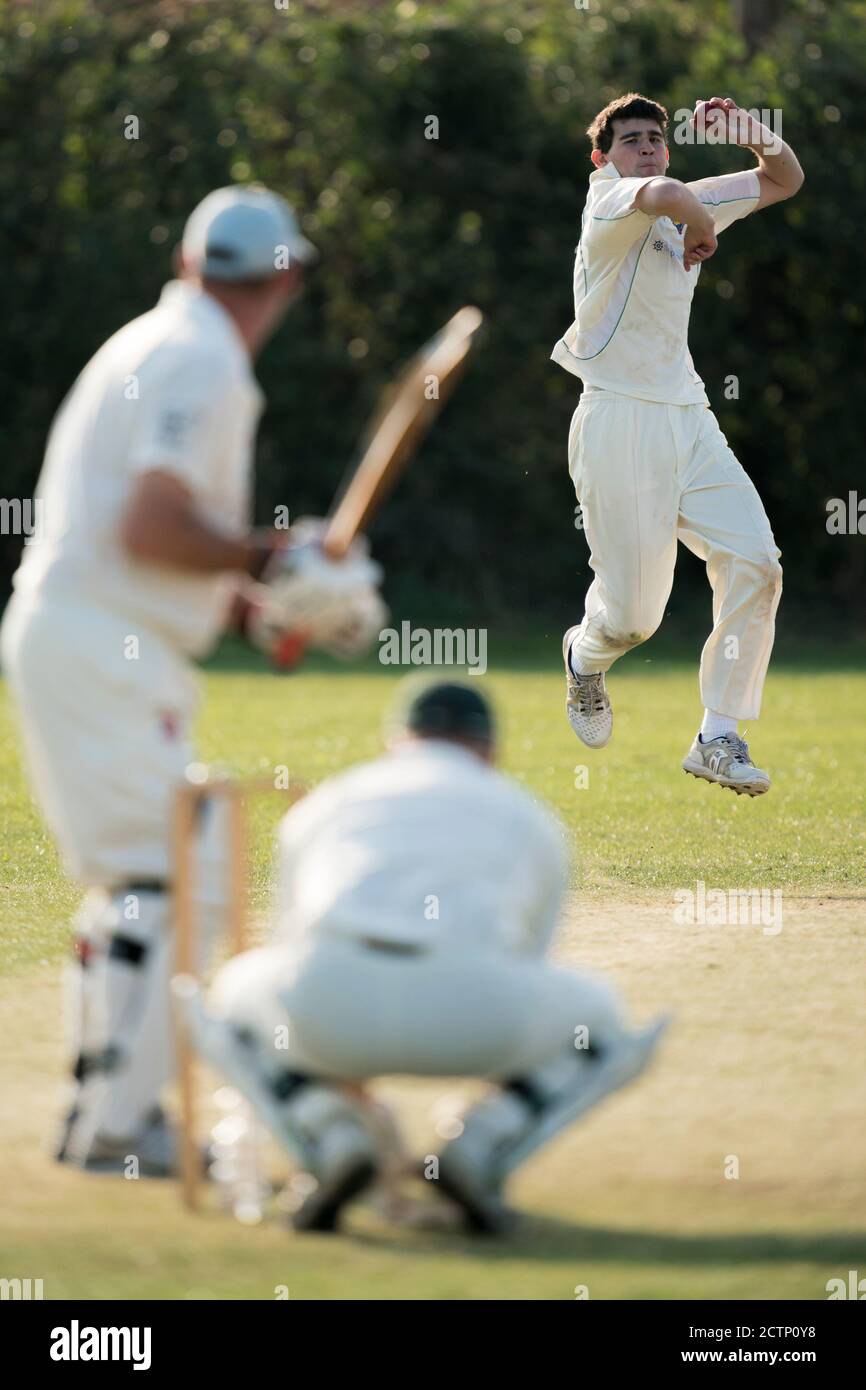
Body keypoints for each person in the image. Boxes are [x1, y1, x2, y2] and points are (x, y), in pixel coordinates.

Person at [0, 185, 386, 1174]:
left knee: (146, 876)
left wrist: (262, 604)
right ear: (285, 278)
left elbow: (144, 540)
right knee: (186, 866)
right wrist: (268, 558)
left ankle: (104, 1116)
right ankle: (120, 1130)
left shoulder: (159, 342)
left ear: (187, 263)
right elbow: (151, 524)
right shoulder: (201, 360)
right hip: (98, 644)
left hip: (90, 636)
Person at [185, 680, 666, 1234]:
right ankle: (481, 1143)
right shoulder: (527, 814)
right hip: (477, 1016)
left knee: (229, 998)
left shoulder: (331, 801)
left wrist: (343, 1076)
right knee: (602, 1018)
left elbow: (290, 943)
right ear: (489, 749)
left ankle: (334, 1134)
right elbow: (532, 956)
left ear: (398, 741)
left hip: (330, 1005)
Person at [552, 94, 804, 795]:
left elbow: (785, 179)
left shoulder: (683, 198)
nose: (650, 148)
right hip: (617, 421)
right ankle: (585, 655)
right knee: (635, 620)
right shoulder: (609, 204)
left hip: (688, 418)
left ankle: (717, 733)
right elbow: (662, 194)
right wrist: (696, 220)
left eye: (658, 137)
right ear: (604, 159)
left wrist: (751, 132)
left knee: (758, 561)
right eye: (632, 140)